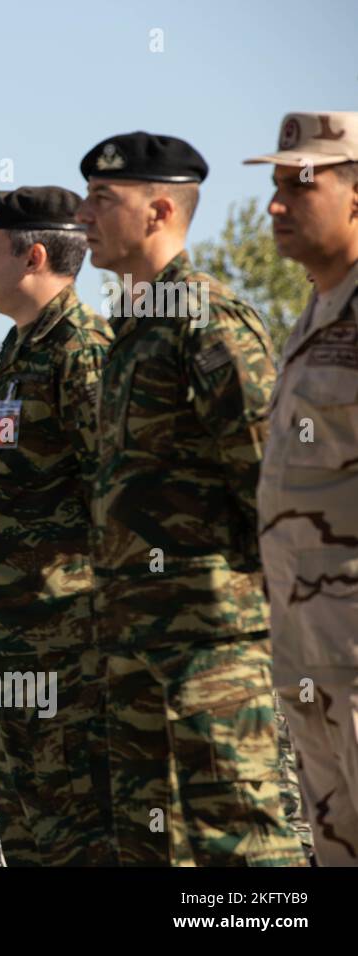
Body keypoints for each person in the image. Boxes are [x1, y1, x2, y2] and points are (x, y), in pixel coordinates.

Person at [76, 131, 305, 866]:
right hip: (135, 631)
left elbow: (268, 477)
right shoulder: (131, 331)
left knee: (238, 836)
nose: (85, 215)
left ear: (159, 212)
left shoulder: (204, 320)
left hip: (210, 634)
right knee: (149, 842)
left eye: (103, 200)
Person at [0, 186, 114, 865]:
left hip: (65, 646)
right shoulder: (20, 353)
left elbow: (113, 495)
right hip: (8, 642)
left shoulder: (82, 352)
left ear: (36, 256)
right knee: (26, 833)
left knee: (78, 832)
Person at [248, 111, 358, 866]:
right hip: (308, 648)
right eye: (277, 184)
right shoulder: (313, 316)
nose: (276, 204)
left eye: (301, 185)